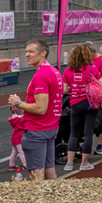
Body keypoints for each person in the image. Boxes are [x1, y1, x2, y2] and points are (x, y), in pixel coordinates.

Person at [8, 39, 63, 181]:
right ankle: (56, 200)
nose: (27, 54)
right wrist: (23, 108)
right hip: (50, 127)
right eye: (26, 51)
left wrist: (18, 103)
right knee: (49, 169)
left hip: (37, 129)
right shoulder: (54, 71)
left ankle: (39, 201)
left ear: (43, 53)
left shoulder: (41, 75)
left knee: (36, 174)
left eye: (31, 51)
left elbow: (40, 108)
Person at [62, 43, 97, 173]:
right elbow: (101, 86)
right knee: (88, 133)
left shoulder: (67, 70)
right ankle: (84, 163)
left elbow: (64, 89)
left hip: (75, 104)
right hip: (90, 104)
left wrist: (73, 88)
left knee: (74, 133)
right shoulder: (92, 69)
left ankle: (69, 163)